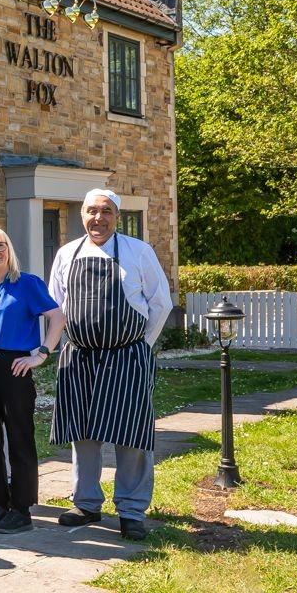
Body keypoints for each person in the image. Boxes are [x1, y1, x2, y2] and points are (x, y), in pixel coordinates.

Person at [48, 189, 173, 541]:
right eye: (91, 211)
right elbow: (56, 306)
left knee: (131, 435)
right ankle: (86, 503)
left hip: (127, 355)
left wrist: (139, 345)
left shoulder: (138, 251)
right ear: (82, 214)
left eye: (106, 211)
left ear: (116, 216)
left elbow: (160, 303)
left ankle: (132, 510)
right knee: (83, 433)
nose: (98, 218)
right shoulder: (66, 254)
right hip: (79, 356)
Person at [0, 227, 64, 534]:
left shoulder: (27, 283)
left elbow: (57, 317)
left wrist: (42, 353)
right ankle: (0, 502)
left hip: (14, 365)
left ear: (9, 249)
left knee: (19, 435)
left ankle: (22, 507)